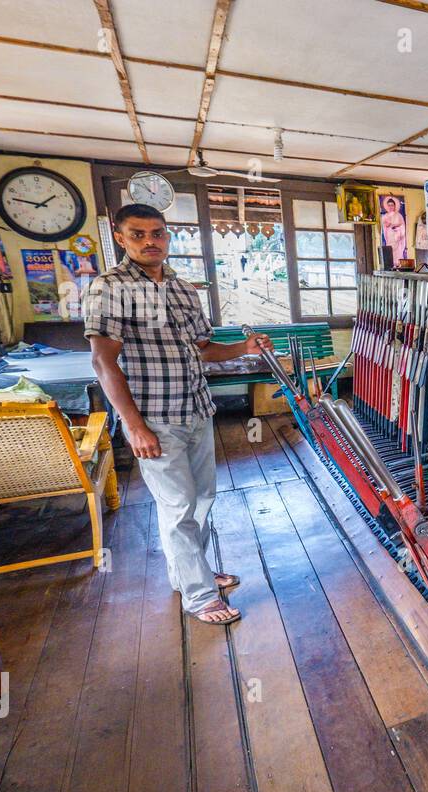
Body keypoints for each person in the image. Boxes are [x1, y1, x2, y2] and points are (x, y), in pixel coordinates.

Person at [85, 203, 272, 625]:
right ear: (120, 238)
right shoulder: (109, 287)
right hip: (154, 417)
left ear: (167, 237)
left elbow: (203, 350)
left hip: (196, 408)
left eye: (158, 233)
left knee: (203, 498)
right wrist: (133, 426)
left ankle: (191, 573)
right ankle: (201, 596)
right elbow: (103, 363)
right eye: (138, 234)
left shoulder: (182, 288)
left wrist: (244, 349)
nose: (150, 241)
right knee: (178, 506)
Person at [381, 195, 407, 261]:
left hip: (397, 237)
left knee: (398, 254)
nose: (390, 207)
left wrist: (397, 228)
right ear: (386, 206)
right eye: (389, 205)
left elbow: (402, 226)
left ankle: (398, 264)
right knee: (390, 253)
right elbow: (384, 227)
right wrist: (387, 225)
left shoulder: (399, 215)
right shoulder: (385, 216)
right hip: (389, 237)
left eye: (392, 205)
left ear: (395, 206)